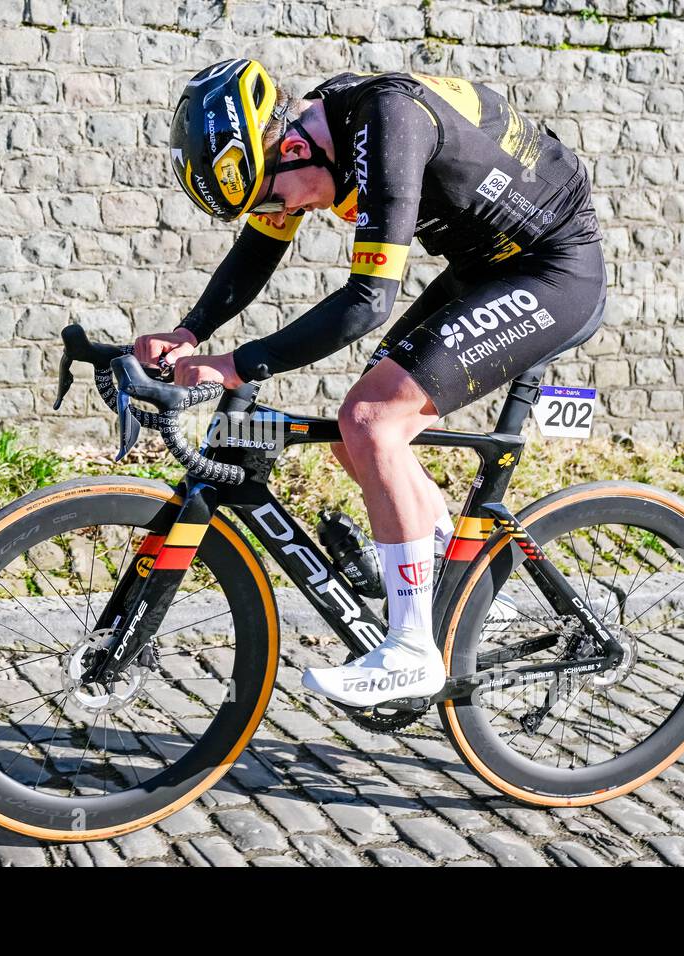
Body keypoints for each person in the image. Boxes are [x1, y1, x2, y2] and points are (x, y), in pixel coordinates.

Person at [136, 59, 607, 708]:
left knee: (372, 423)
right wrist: (192, 330)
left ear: (293, 148)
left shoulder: (389, 122)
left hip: (552, 273)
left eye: (273, 197)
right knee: (354, 439)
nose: (279, 212)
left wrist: (237, 365)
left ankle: (413, 652)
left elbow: (365, 304)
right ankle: (460, 593)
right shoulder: (314, 138)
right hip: (486, 267)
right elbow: (258, 250)